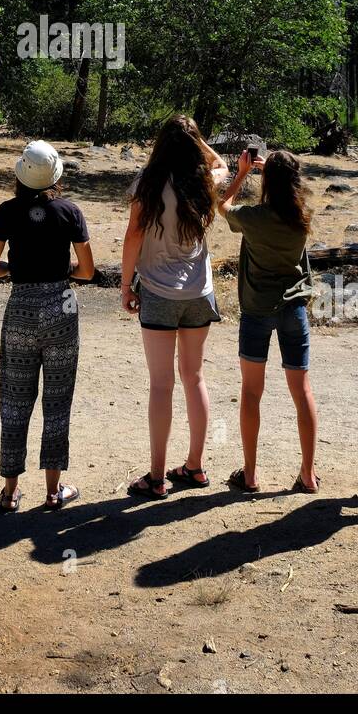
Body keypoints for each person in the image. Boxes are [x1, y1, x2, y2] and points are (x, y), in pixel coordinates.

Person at [0, 139, 94, 513]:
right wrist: (62, 272)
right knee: (57, 401)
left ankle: (10, 490)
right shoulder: (70, 212)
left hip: (21, 308)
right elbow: (88, 271)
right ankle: (53, 489)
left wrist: (18, 270)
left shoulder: (7, 211)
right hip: (61, 308)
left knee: (15, 400)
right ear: (55, 176)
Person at [121, 115, 229, 499]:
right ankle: (195, 466)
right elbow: (222, 166)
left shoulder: (147, 183)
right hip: (199, 293)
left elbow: (133, 235)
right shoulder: (203, 182)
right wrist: (197, 141)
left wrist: (124, 286)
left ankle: (156, 477)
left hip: (158, 291)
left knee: (161, 384)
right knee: (194, 377)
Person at [218, 149, 318, 494]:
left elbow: (223, 206)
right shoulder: (301, 216)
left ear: (269, 180)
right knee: (302, 392)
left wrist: (243, 173)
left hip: (257, 311)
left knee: (251, 392)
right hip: (294, 310)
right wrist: (272, 172)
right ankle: (308, 474)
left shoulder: (254, 217)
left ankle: (250, 473)